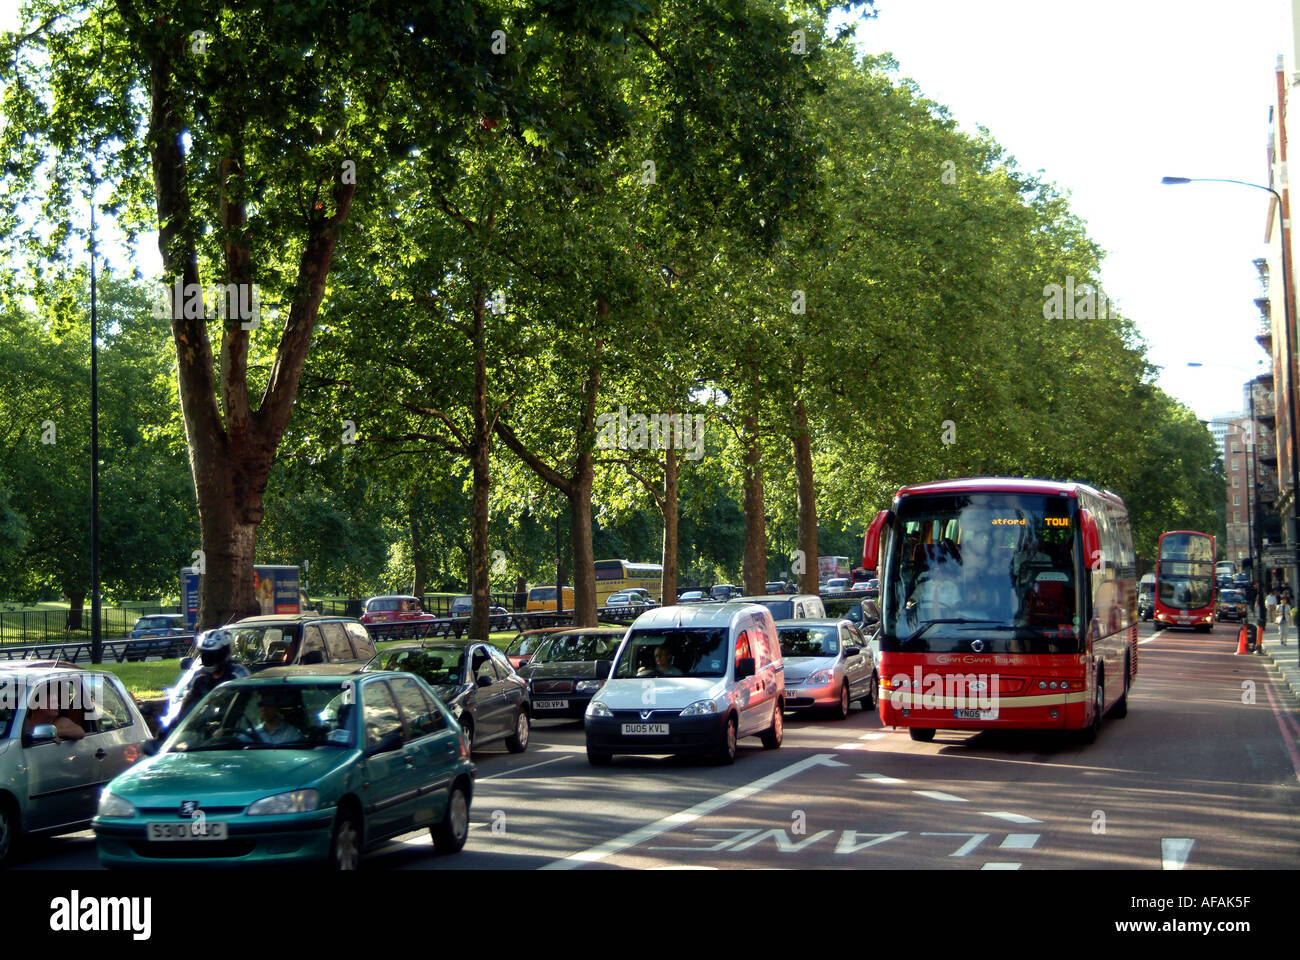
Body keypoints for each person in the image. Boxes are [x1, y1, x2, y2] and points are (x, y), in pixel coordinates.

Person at [173, 629, 245, 728]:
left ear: (223, 654)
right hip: (204, 730)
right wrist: (173, 726)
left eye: (212, 655)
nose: (208, 659)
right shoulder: (198, 678)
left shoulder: (238, 675)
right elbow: (187, 705)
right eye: (205, 655)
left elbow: (246, 707)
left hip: (235, 728)